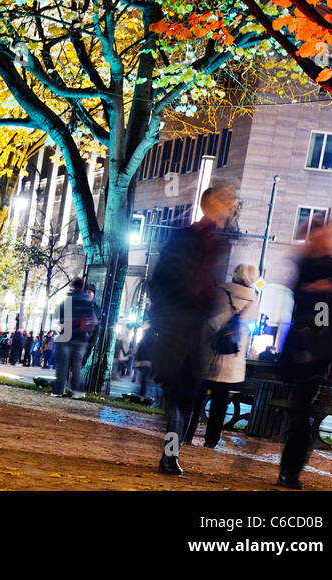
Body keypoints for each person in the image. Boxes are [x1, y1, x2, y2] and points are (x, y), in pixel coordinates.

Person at [147, 183, 236, 475]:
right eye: (226, 200)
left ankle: (171, 453)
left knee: (187, 394)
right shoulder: (185, 237)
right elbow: (159, 279)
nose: (231, 204)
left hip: (198, 328)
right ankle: (170, 455)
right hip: (176, 323)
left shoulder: (220, 240)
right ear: (209, 204)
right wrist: (164, 313)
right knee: (177, 391)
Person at [277, 224, 332, 489]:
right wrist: (321, 291)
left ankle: (291, 468)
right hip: (306, 351)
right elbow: (309, 300)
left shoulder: (330, 266)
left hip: (320, 353)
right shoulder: (307, 263)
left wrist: (323, 291)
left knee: (305, 414)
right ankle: (290, 469)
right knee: (303, 414)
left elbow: (327, 306)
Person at [186, 263, 260, 448]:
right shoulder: (253, 300)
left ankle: (186, 434)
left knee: (196, 398)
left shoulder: (221, 292)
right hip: (231, 357)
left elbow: (208, 319)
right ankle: (211, 440)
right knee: (220, 402)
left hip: (209, 352)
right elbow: (248, 324)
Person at [52, 278, 97, 397]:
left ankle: (58, 391)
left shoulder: (68, 300)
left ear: (72, 286)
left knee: (63, 365)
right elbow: (93, 321)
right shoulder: (87, 302)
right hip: (81, 338)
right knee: (76, 365)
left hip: (66, 336)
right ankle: (77, 391)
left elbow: (57, 314)